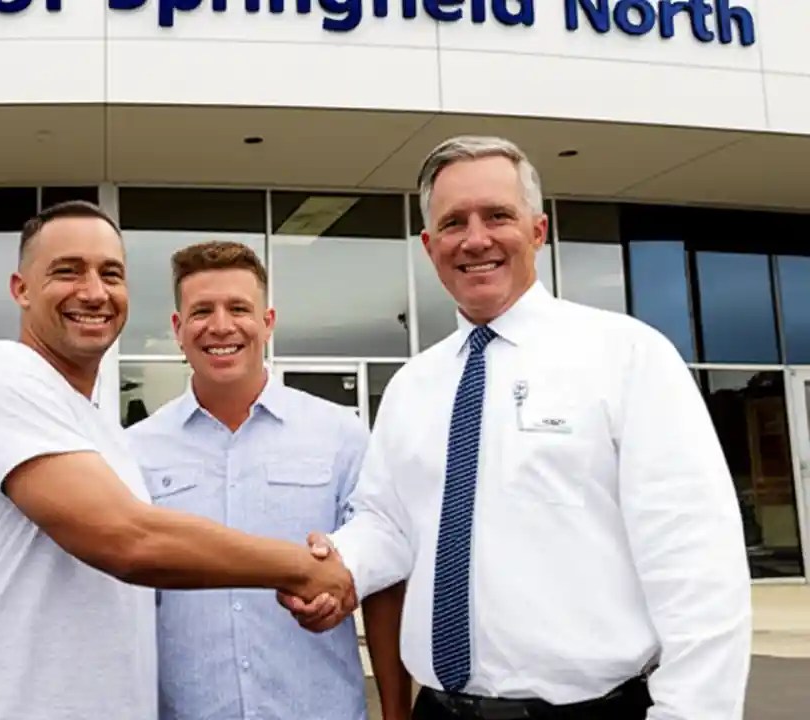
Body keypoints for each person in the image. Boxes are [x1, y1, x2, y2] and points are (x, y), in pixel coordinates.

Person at [282, 136, 753, 719]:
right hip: (442, 711)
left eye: (497, 216)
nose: (475, 239)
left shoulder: (628, 357)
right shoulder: (411, 387)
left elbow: (697, 563)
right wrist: (339, 561)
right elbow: (388, 524)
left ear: (538, 230)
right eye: (453, 223)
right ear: (429, 246)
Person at [0, 200, 357, 720]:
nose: (94, 292)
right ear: (21, 289)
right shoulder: (0, 373)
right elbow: (130, 540)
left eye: (111, 274)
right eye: (67, 271)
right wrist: (304, 569)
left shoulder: (101, 431)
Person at [125, 240, 413, 720]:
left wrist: (396, 711)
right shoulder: (135, 451)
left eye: (239, 308)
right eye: (202, 311)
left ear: (268, 322)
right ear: (177, 329)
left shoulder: (341, 435)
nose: (221, 326)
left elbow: (383, 578)